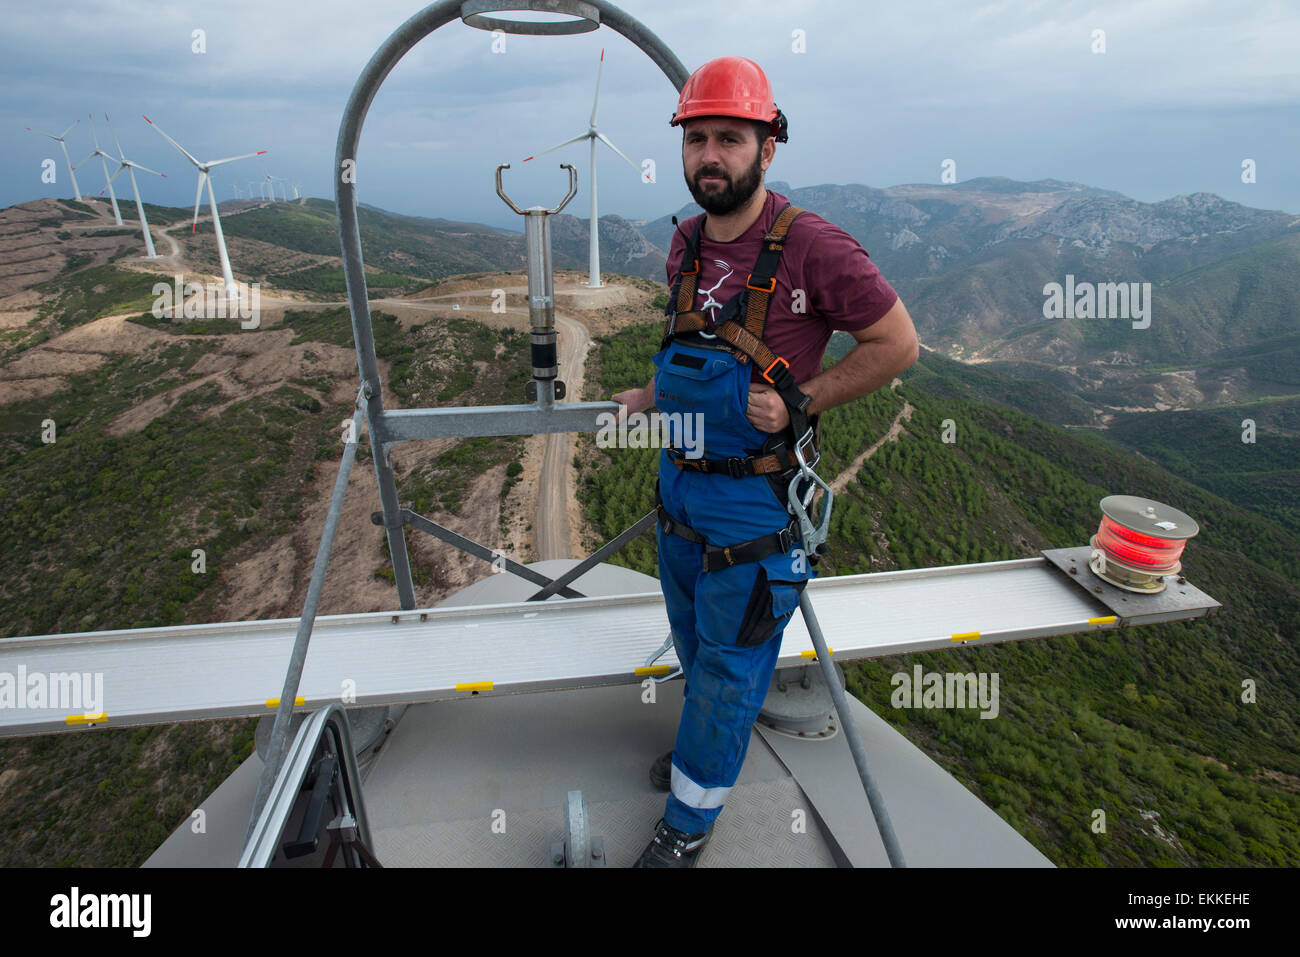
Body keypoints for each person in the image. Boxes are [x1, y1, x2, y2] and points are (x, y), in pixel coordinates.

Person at [612, 56, 919, 867]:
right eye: (697, 138)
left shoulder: (813, 246)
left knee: (729, 669)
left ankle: (691, 816)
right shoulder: (682, 241)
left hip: (753, 508)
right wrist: (649, 394)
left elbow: (898, 344)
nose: (710, 155)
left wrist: (801, 402)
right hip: (679, 493)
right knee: (692, 646)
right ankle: (696, 762)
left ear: (767, 148)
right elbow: (691, 349)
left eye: (730, 138)